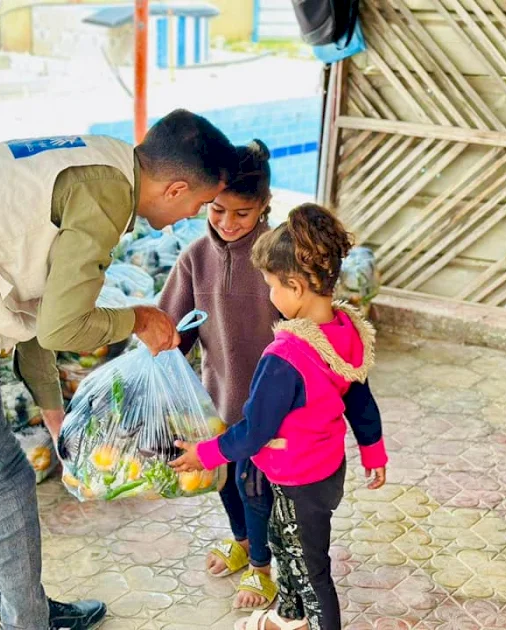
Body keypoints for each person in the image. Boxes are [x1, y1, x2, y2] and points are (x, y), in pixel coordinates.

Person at [0, 110, 238, 630]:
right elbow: (61, 326)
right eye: (199, 204)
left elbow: (38, 317)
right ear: (176, 188)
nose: (193, 216)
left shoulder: (104, 163)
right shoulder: (103, 193)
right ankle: (25, 623)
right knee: (3, 482)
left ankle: (25, 612)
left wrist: (53, 412)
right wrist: (137, 318)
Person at [170, 204, 389, 630]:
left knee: (311, 571)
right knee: (287, 547)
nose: (270, 295)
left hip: (297, 480)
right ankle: (288, 618)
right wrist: (373, 451)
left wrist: (207, 454)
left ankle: (313, 620)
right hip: (327, 472)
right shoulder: (345, 330)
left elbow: (253, 432)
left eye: (272, 286)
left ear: (296, 285)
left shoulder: (285, 355)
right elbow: (360, 398)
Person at [158, 139, 280, 611]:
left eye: (243, 215)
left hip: (271, 405)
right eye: (217, 211)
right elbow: (172, 329)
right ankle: (244, 542)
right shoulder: (194, 258)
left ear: (265, 207)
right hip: (219, 397)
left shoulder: (278, 256)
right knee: (226, 479)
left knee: (258, 487)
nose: (228, 224)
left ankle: (263, 570)